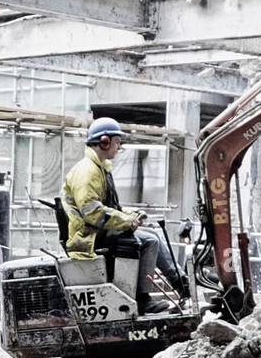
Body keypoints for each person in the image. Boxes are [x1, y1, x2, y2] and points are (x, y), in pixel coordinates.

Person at [61, 117, 187, 314]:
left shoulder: (99, 169)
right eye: (117, 142)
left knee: (152, 235)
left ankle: (180, 282)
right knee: (149, 241)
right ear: (104, 141)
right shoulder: (88, 171)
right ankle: (144, 298)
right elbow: (92, 212)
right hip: (88, 237)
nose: (119, 147)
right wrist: (127, 221)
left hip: (96, 231)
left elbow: (110, 207)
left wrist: (132, 215)